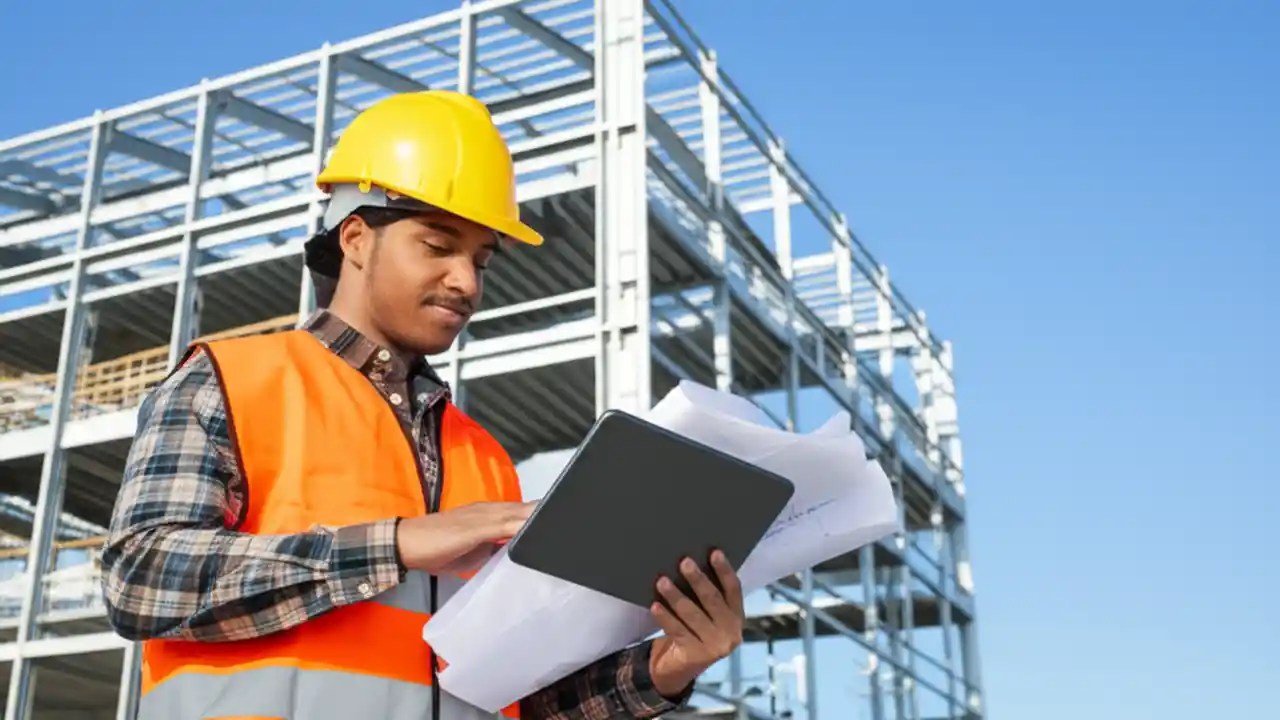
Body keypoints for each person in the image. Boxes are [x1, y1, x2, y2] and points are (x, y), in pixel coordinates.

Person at [100, 90, 746, 720]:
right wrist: (399, 543)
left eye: (481, 260)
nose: (466, 282)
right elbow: (141, 578)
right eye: (437, 246)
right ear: (355, 238)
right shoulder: (232, 381)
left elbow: (516, 693)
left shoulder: (484, 458)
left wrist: (668, 666)